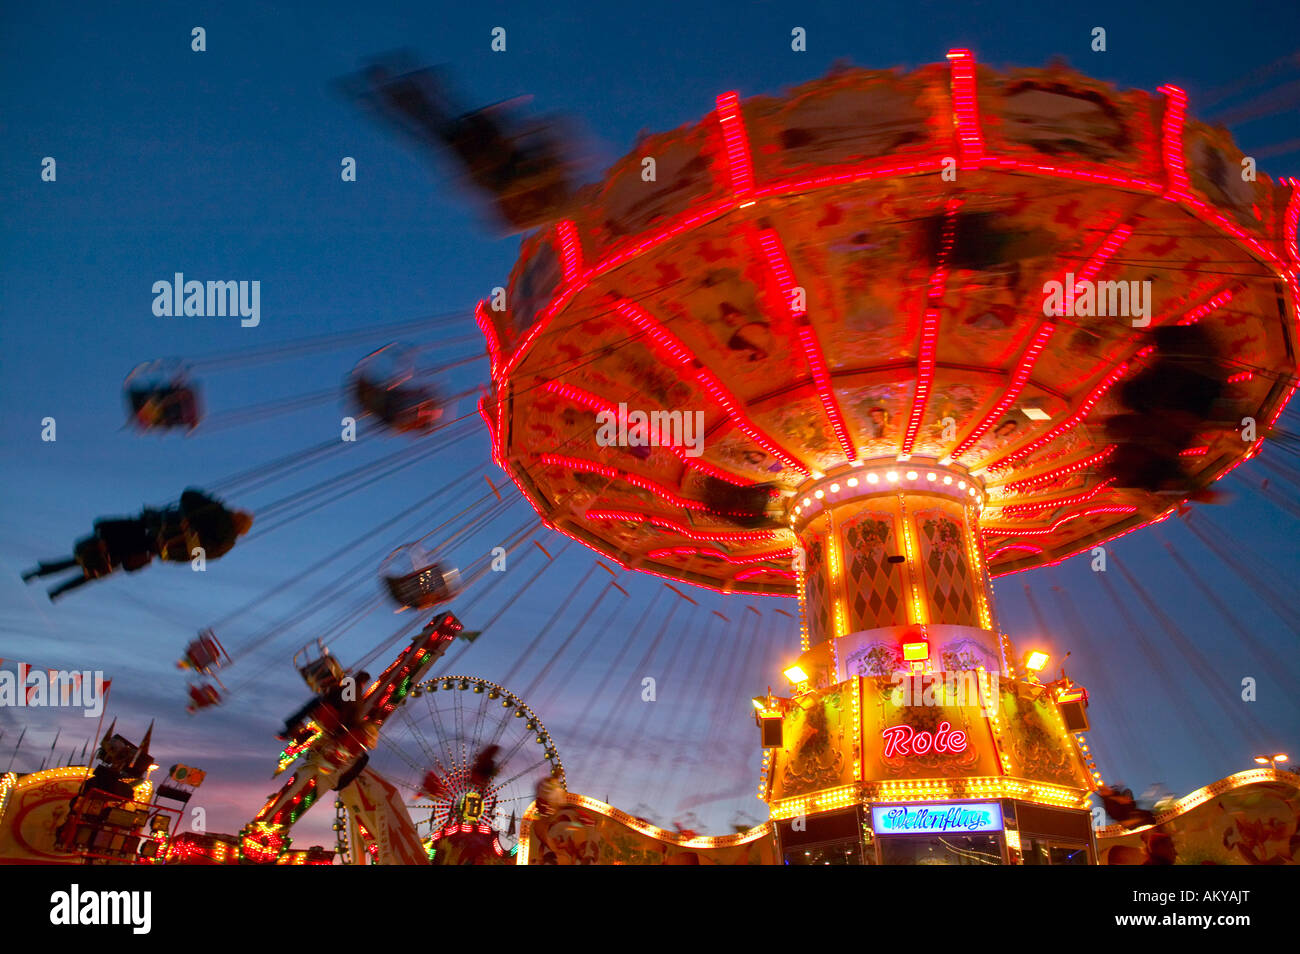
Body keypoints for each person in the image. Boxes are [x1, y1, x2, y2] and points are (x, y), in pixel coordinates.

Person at [21, 488, 252, 601]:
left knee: (95, 548)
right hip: (151, 549)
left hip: (147, 529)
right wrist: (171, 552)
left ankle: (41, 573)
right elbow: (195, 558)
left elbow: (188, 495)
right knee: (102, 567)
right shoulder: (222, 547)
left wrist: (202, 514)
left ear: (236, 515)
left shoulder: (216, 512)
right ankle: (57, 589)